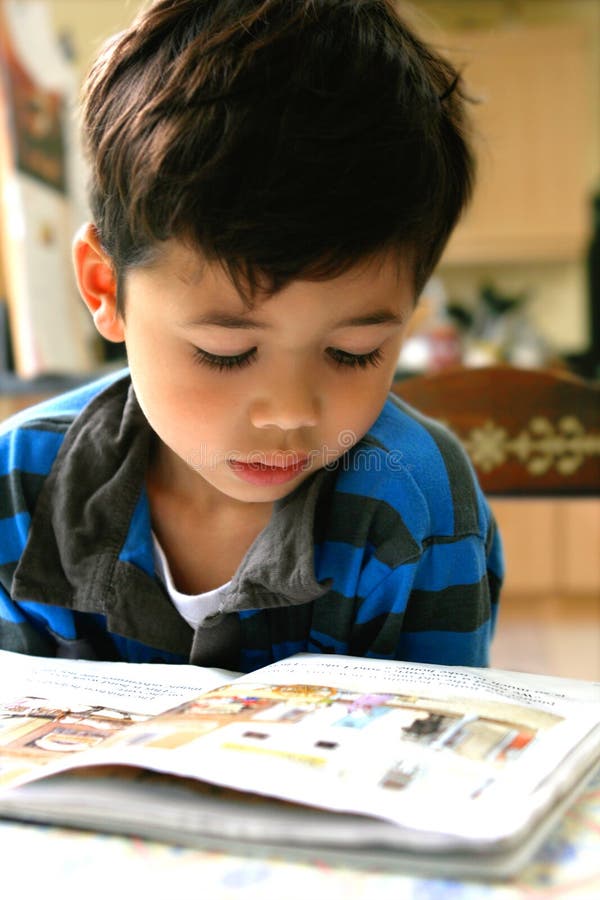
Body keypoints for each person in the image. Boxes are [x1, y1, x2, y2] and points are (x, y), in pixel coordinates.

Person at [0, 0, 503, 671]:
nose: (291, 412)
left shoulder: (410, 501)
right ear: (104, 288)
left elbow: (434, 748)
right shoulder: (22, 485)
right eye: (226, 352)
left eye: (353, 353)